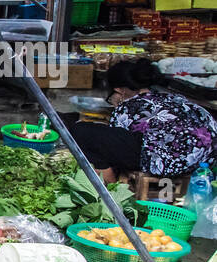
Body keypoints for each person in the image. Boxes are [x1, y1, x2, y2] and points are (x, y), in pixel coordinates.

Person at [64, 60, 217, 181]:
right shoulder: (173, 97)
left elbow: (113, 148)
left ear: (119, 90)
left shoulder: (127, 107)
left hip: (171, 162)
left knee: (83, 132)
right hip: (206, 160)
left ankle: (108, 189)